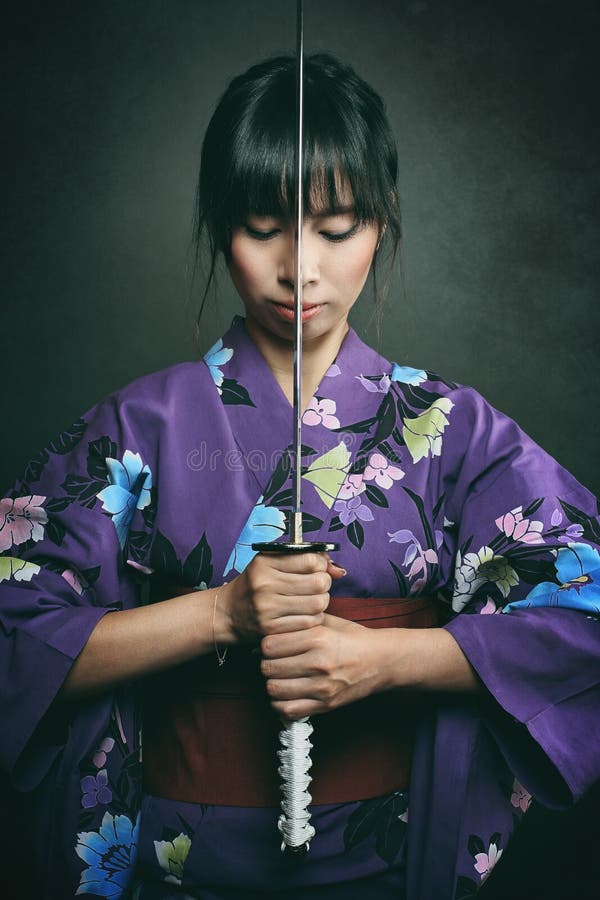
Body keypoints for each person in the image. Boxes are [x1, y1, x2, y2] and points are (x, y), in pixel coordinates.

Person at [1, 53, 599, 900]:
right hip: (173, 867)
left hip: (387, 865)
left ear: (382, 223)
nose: (300, 267)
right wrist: (219, 612)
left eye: (337, 225)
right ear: (218, 226)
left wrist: (386, 660)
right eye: (262, 224)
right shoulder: (141, 426)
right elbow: (11, 622)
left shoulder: (454, 431)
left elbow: (588, 609)